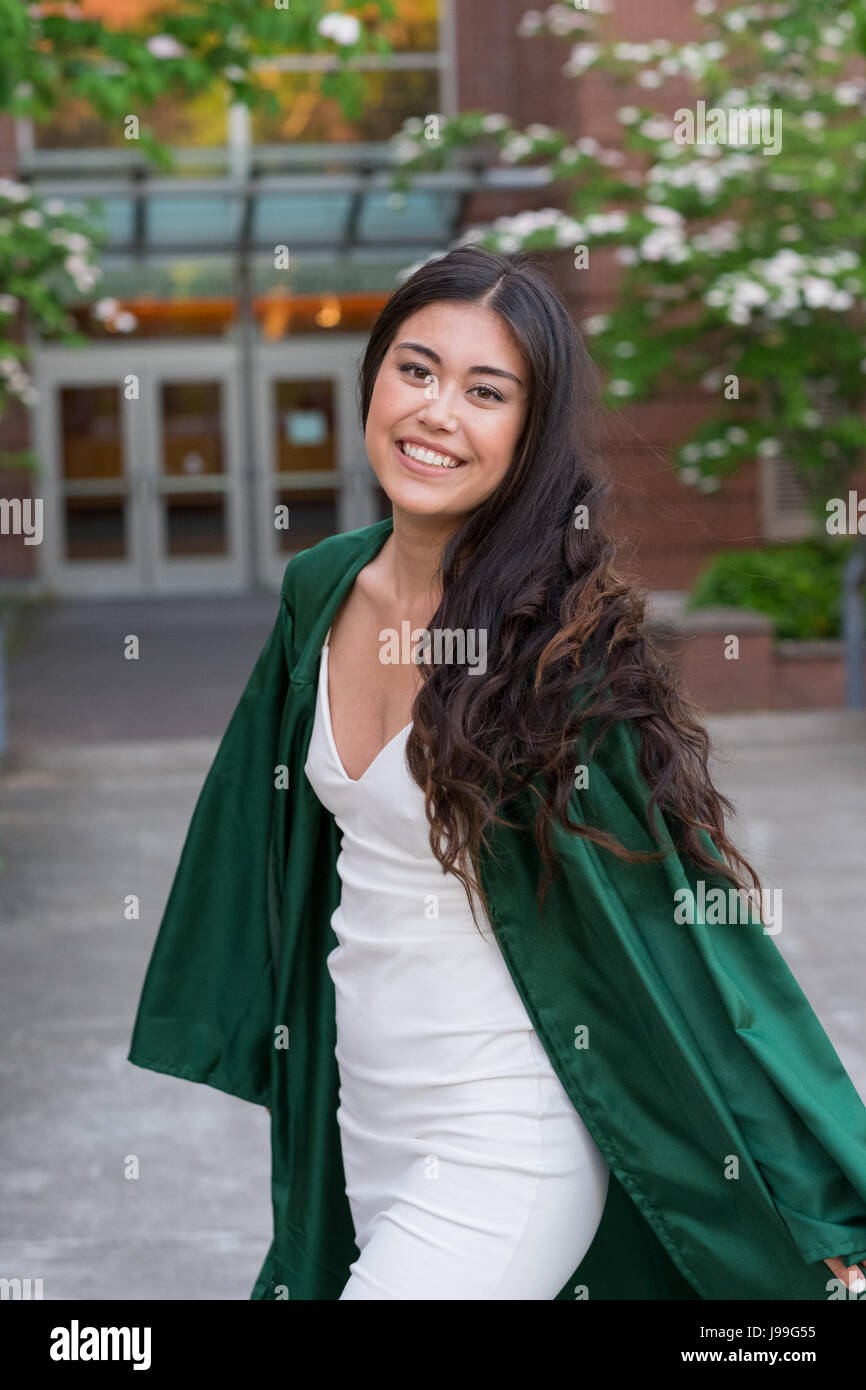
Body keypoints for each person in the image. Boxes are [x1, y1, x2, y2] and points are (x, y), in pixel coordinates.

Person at [128, 247, 866, 1300]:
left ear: (527, 431)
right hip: (362, 1128)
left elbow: (678, 925)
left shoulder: (555, 647)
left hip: (504, 1142)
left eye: (485, 391)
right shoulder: (320, 589)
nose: (436, 412)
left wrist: (805, 1177)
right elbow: (268, 837)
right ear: (372, 379)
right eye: (415, 370)